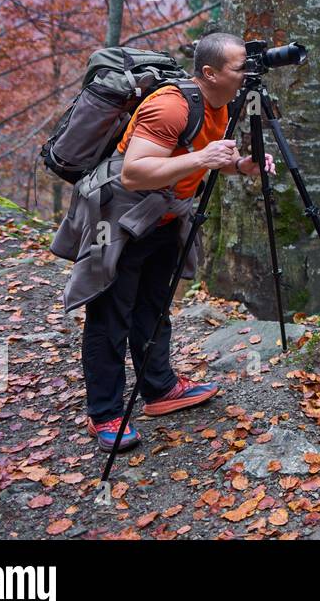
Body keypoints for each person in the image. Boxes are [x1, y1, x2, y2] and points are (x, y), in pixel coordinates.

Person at [80, 32, 274, 451]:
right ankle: (106, 413)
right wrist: (205, 159)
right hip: (121, 217)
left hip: (167, 215)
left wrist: (241, 165)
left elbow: (205, 154)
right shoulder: (170, 105)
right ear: (209, 72)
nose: (248, 75)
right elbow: (135, 171)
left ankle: (159, 388)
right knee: (111, 312)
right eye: (240, 68)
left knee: (153, 306)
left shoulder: (220, 105)